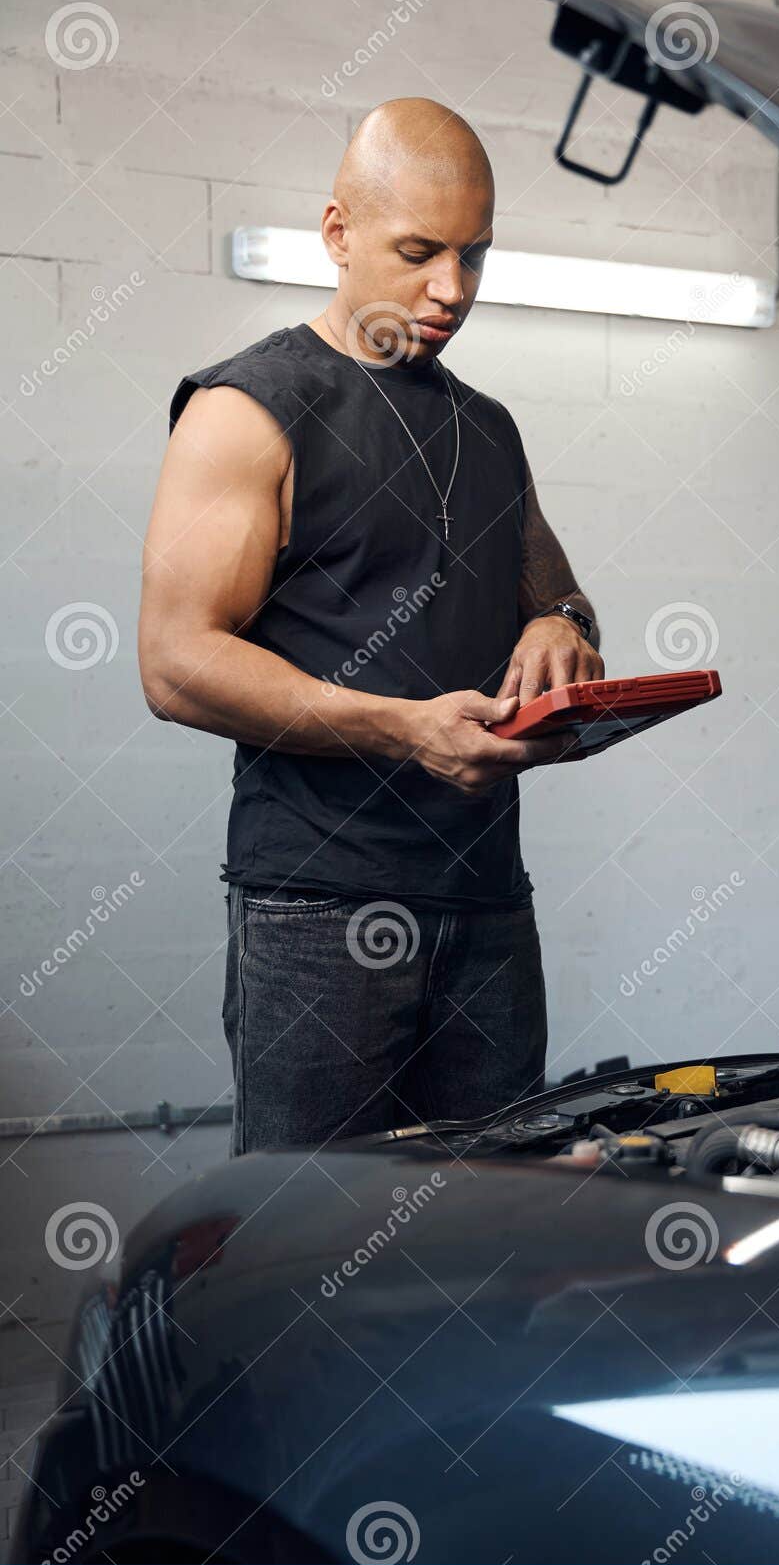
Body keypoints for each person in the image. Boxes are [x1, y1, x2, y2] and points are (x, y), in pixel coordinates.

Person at [137, 97, 603, 1154]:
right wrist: (404, 729)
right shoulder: (247, 407)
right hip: (318, 909)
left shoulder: (488, 428)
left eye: (474, 255)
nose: (452, 290)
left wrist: (560, 624)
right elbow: (174, 664)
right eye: (419, 252)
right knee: (311, 1230)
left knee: (492, 1223)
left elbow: (554, 588)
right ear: (338, 233)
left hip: (487, 901)